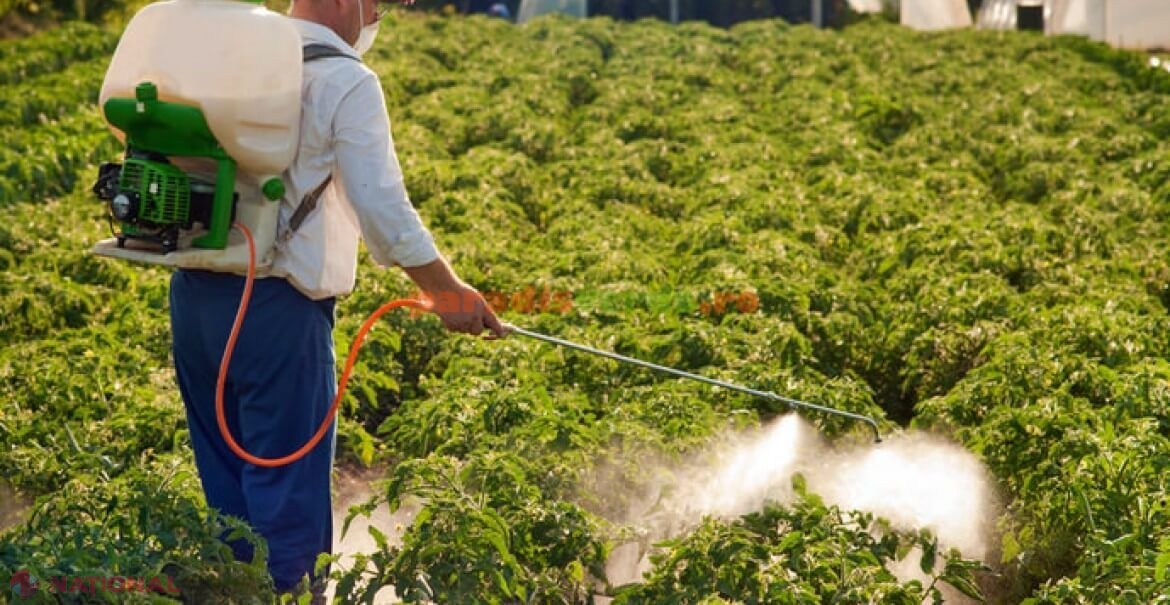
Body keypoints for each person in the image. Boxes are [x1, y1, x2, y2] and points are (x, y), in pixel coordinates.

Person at [167, 0, 506, 600]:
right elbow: (383, 209)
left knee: (227, 497)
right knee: (286, 505)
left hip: (195, 298)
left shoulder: (231, 56)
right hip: (274, 315)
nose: (377, 16)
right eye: (376, 4)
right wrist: (447, 292)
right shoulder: (344, 79)